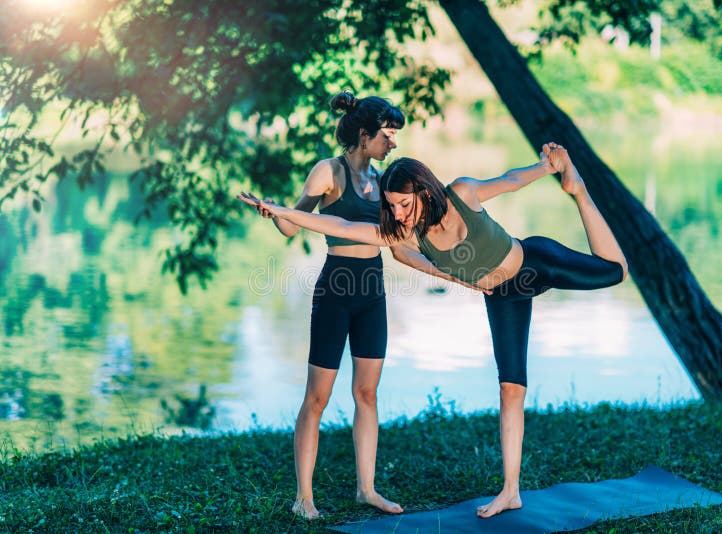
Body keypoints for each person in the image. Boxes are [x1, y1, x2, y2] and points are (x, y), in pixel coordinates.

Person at [239, 142, 628, 518]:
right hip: (503, 294)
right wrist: (280, 211)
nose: (399, 213)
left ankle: (580, 192)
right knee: (511, 388)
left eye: (404, 204)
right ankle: (510, 492)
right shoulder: (406, 235)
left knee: (615, 272)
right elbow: (340, 224)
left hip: (536, 262)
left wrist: (549, 168)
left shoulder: (462, 193)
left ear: (424, 191)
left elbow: (509, 179)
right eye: (392, 206)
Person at [245, 90, 416, 520]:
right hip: (335, 292)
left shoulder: (384, 180)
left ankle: (367, 489)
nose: (392, 143)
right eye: (387, 135)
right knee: (316, 398)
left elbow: (402, 235)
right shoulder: (328, 171)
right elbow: (292, 225)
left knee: (367, 393)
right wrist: (273, 210)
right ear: (365, 133)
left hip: (372, 290)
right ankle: (304, 496)